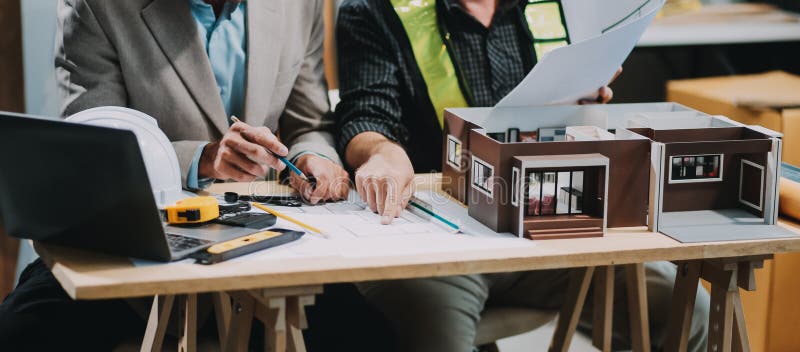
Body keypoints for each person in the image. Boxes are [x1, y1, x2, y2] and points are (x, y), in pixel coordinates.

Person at [335, 0, 710, 351]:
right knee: (439, 332)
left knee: (686, 307)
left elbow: (561, 110)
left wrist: (581, 108)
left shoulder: (556, 6)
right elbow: (365, 116)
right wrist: (381, 151)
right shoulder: (374, 11)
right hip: (440, 241)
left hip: (546, 228)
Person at [0, 0, 349, 349]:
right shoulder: (98, 6)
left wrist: (313, 156)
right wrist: (202, 159)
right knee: (18, 333)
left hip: (263, 258)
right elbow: (96, 154)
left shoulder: (300, 5)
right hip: (130, 252)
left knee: (363, 331)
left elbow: (310, 124)